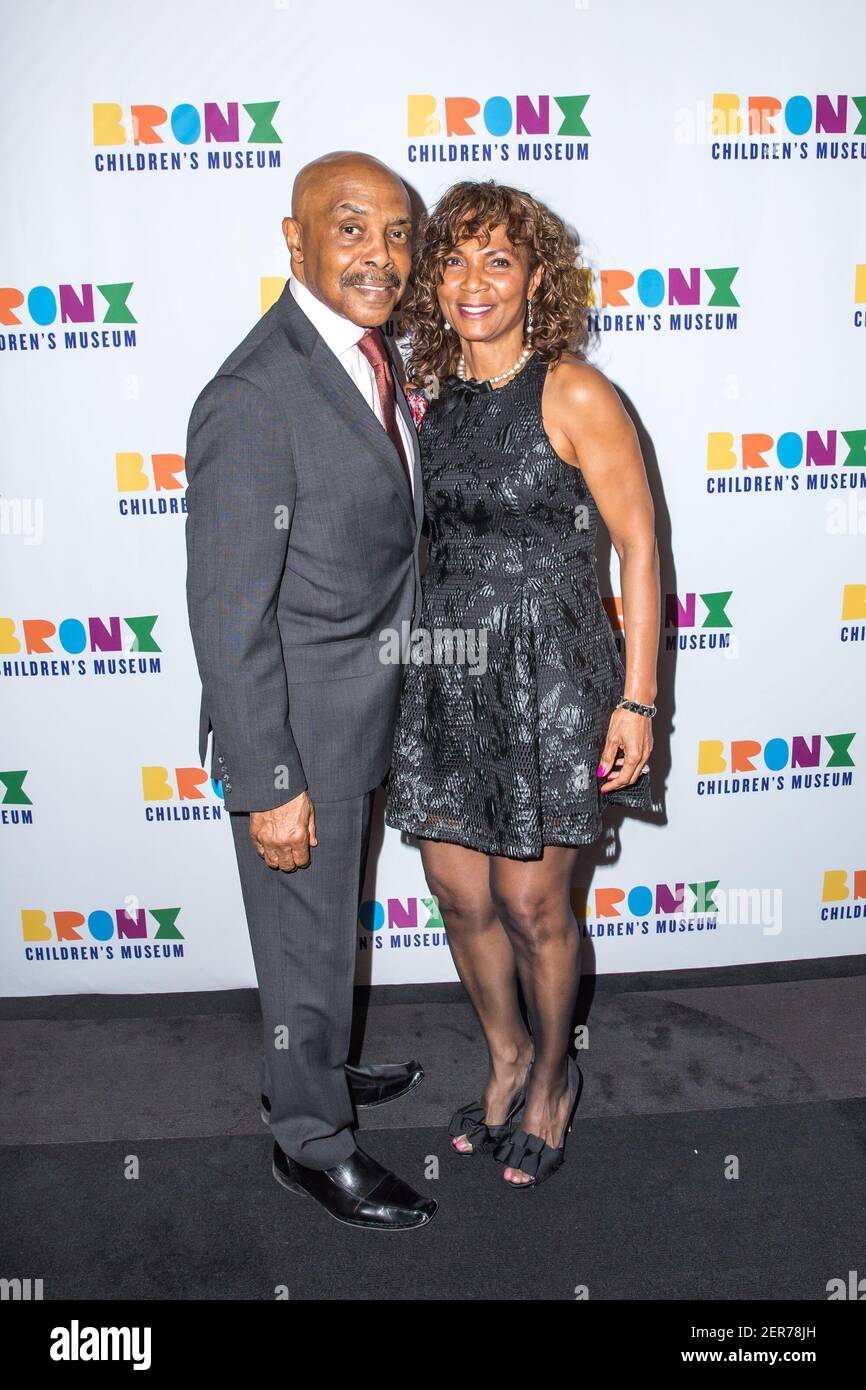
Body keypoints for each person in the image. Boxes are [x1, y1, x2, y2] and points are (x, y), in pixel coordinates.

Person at [385, 180, 659, 1188]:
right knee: (458, 895)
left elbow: (637, 546)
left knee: (534, 906)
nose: (471, 281)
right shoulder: (415, 394)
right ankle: (500, 1054)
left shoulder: (571, 390)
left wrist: (637, 699)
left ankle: (552, 1077)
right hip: (444, 673)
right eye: (453, 258)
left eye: (497, 259)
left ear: (535, 276)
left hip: (548, 677)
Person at [184, 151, 436, 1230]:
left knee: (323, 935)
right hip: (297, 732)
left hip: (357, 710)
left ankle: (314, 1065)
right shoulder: (256, 391)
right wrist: (269, 775)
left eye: (394, 233)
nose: (379, 255)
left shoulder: (361, 356)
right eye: (350, 230)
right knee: (302, 938)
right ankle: (309, 1139)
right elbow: (228, 614)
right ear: (294, 243)